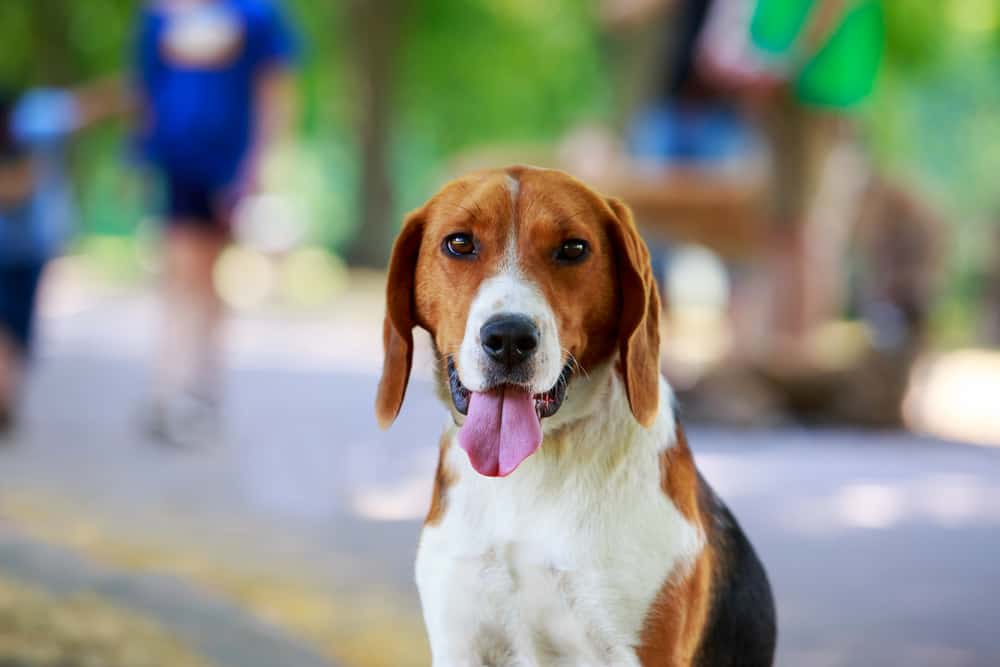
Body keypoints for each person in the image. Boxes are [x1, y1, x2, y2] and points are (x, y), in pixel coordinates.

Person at [134, 0, 297, 446]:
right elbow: (146, 90)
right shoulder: (158, 15)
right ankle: (177, 388)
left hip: (226, 163)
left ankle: (191, 387)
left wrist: (257, 167)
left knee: (201, 277)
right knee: (181, 273)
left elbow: (273, 91)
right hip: (176, 161)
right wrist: (141, 161)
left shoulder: (256, 14)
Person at [0, 82, 124, 436]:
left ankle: (7, 391)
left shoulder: (36, 117)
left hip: (30, 245)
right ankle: (6, 392)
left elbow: (91, 106)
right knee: (14, 325)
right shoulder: (39, 117)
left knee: (16, 325)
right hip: (29, 245)